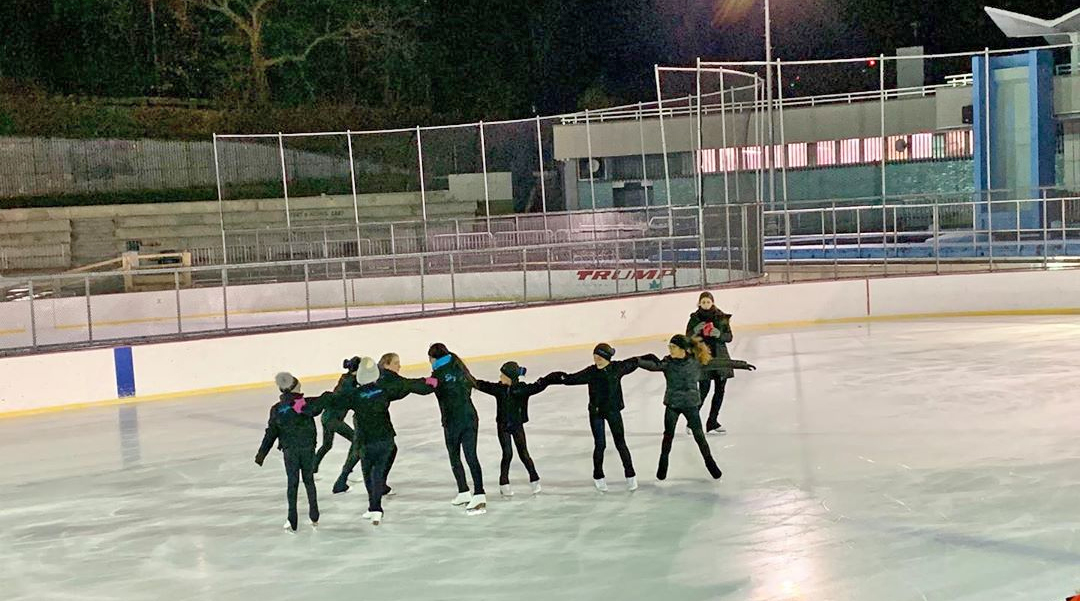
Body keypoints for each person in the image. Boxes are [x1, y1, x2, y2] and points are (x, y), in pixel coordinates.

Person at [314, 358, 436, 525]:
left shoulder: (353, 394)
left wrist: (299, 404)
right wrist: (433, 380)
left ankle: (374, 507)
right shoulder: (383, 389)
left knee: (368, 473)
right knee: (378, 471)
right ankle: (374, 505)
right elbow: (409, 385)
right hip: (385, 436)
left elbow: (329, 399)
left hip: (366, 439)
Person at [637, 335, 756, 481]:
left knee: (700, 437)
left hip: (691, 405)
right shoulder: (667, 363)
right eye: (669, 347)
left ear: (683, 349)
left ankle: (711, 466)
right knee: (668, 436)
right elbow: (651, 366)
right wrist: (636, 361)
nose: (670, 350)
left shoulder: (696, 363)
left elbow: (721, 363)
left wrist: (741, 364)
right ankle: (662, 467)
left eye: (673, 347)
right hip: (672, 405)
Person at [549, 343, 640, 492]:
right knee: (600, 444)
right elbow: (571, 379)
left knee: (620, 443)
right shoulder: (591, 372)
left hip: (613, 411)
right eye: (595, 356)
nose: (596, 359)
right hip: (596, 413)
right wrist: (552, 378)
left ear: (606, 357)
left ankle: (630, 474)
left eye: (600, 356)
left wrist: (652, 360)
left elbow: (636, 362)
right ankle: (598, 475)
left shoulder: (617, 368)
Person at [474, 361, 559, 497]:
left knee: (523, 453)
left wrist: (551, 378)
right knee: (507, 454)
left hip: (517, 425)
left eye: (502, 375)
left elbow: (539, 385)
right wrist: (467, 379)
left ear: (509, 377)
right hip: (503, 426)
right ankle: (504, 483)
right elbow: (482, 385)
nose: (500, 378)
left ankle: (534, 478)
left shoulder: (521, 389)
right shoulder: (499, 389)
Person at [254, 372, 323, 533]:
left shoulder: (277, 409)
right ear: (295, 387)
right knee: (308, 480)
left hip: (290, 450)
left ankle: (292, 518)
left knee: (292, 483)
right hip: (307, 448)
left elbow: (271, 433)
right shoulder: (304, 404)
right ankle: (314, 514)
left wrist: (262, 453)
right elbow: (317, 408)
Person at [427, 343, 488, 514]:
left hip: (453, 421)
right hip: (470, 418)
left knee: (455, 457)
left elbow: (425, 388)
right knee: (471, 456)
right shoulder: (461, 369)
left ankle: (467, 491)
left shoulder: (436, 375)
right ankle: (474, 492)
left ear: (432, 359)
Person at [686, 291, 735, 433]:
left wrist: (719, 334)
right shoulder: (694, 318)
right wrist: (696, 330)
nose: (706, 305)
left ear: (712, 302)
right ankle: (691, 421)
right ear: (699, 303)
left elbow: (729, 337)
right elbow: (687, 337)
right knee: (703, 390)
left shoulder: (721, 317)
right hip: (703, 357)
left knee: (720, 390)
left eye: (708, 302)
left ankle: (712, 421)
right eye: (703, 302)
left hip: (720, 357)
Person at [313, 357, 360, 475]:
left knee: (327, 445)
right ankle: (348, 469)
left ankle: (312, 468)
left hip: (327, 417)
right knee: (356, 440)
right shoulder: (351, 383)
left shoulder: (346, 378)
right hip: (333, 419)